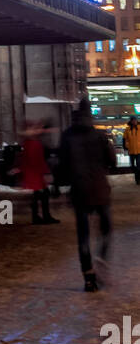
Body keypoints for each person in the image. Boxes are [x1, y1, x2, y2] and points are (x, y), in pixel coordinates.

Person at [59, 98, 117, 292]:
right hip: (100, 189)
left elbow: (62, 166)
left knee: (83, 236)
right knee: (106, 229)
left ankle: (89, 278)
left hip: (79, 191)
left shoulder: (67, 136)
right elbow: (112, 160)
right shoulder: (98, 135)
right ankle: (101, 257)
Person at [19, 124, 59, 224]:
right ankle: (43, 216)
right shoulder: (33, 144)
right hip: (36, 174)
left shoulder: (28, 143)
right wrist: (46, 172)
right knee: (42, 195)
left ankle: (38, 216)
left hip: (33, 174)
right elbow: (37, 160)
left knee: (38, 195)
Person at [123, 119, 140, 184]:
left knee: (139, 165)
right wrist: (124, 147)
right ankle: (137, 176)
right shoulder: (127, 129)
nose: (134, 122)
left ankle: (138, 179)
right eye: (133, 121)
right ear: (130, 121)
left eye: (135, 120)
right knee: (132, 166)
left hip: (139, 150)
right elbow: (124, 138)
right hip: (131, 150)